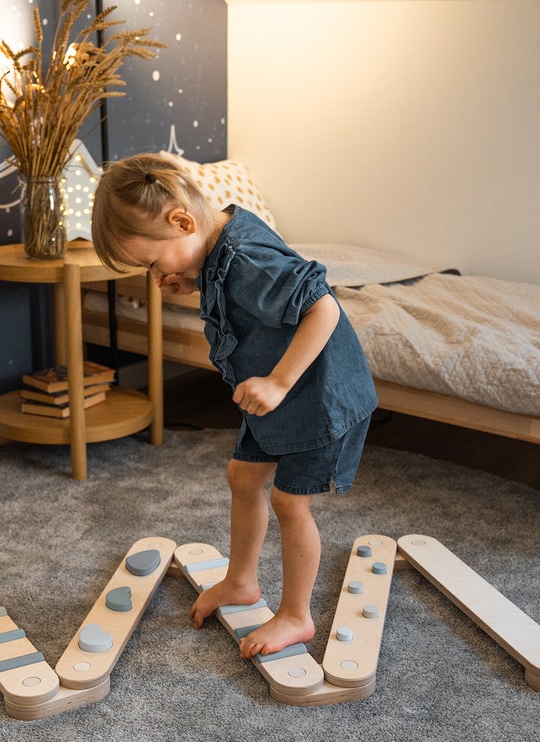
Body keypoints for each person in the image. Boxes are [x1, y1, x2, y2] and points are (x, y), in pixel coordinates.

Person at [91, 153, 379, 658]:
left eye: (152, 263)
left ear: (182, 222)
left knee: (290, 502)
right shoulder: (214, 242)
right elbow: (234, 294)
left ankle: (297, 616)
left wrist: (278, 382)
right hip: (280, 396)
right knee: (243, 476)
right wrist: (190, 280)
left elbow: (323, 308)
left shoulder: (246, 257)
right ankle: (242, 582)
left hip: (319, 396)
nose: (154, 275)